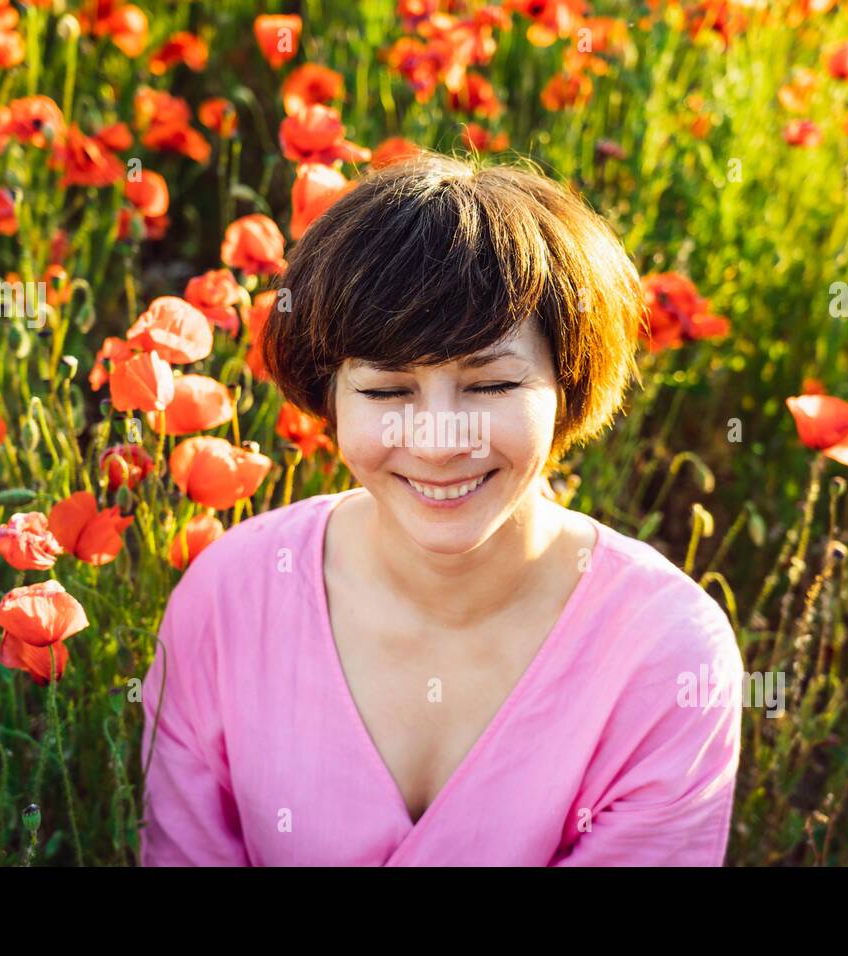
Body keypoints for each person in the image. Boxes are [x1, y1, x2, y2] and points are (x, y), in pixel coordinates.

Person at [139, 151, 744, 866]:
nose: (436, 442)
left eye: (489, 386)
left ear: (568, 383)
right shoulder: (229, 600)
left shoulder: (665, 653)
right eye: (387, 392)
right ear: (327, 396)